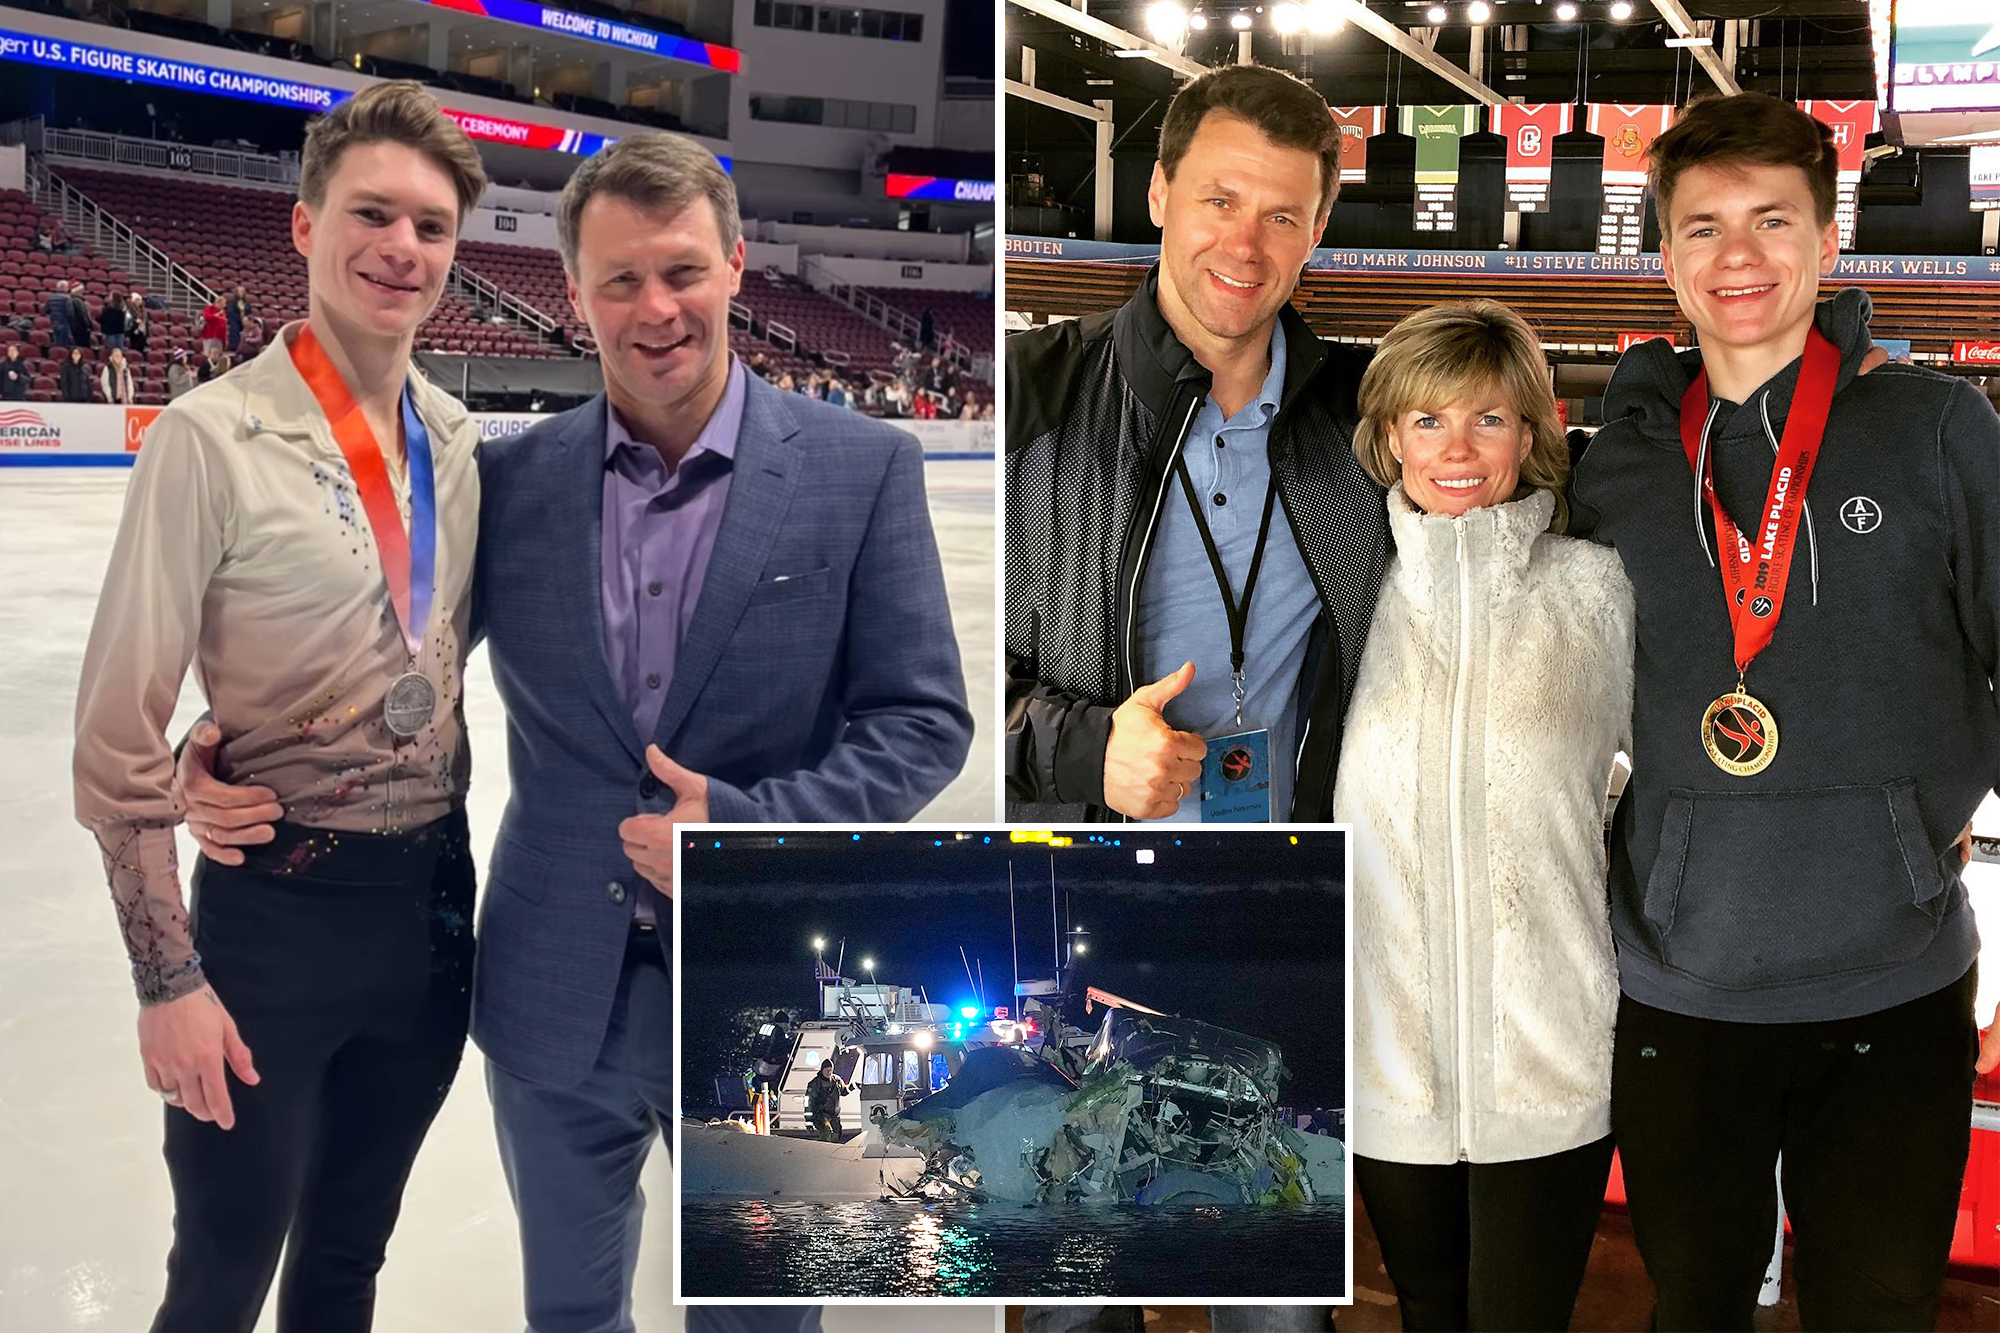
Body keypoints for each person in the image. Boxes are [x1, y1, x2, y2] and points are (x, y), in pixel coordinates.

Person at [181, 129, 973, 1331]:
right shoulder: (514, 483)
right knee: (568, 1315)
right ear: (575, 294)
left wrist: (751, 827)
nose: (654, 309)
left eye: (681, 271)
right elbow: (389, 654)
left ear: (737, 265)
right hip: (554, 1001)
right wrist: (231, 739)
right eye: (620, 280)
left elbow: (921, 721)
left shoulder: (858, 470)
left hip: (770, 1000)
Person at [1570, 91, 1999, 1330]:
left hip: (1890, 983)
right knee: (1691, 1303)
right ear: (1664, 258)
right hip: (1678, 984)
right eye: (1702, 227)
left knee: (1873, 1307)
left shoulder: (1932, 431)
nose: (1737, 256)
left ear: (1826, 245)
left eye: (1771, 221)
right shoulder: (1624, 459)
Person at [71, 80, 490, 1331]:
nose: (400, 248)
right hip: (272, 929)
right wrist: (166, 980)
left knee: (345, 1265)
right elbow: (114, 736)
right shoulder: (209, 437)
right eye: (371, 213)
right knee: (218, 1277)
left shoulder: (462, 443)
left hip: (428, 924)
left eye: (429, 225)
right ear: (304, 227)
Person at [1335, 301, 1631, 1331]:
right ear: (1384, 439)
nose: (1455, 449)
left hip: (1549, 1056)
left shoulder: (1599, 591)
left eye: (1487, 419)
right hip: (1388, 1063)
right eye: (1426, 421)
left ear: (1533, 433)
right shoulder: (1346, 598)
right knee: (1426, 1309)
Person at [1006, 62, 1387, 825]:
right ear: (1159, 194)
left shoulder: (1368, 412)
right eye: (1219, 201)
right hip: (1079, 889)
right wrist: (1083, 748)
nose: (1245, 246)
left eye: (1282, 217)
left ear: (1315, 231)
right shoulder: (1023, 395)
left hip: (1286, 888)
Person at [805, 1060, 848, 1141]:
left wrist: (854, 1086)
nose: (829, 1072)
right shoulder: (815, 1084)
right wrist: (808, 1121)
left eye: (830, 1070)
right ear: (822, 1070)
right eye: (827, 1070)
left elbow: (844, 1092)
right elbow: (808, 1102)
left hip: (834, 1116)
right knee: (826, 1131)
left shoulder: (836, 1081)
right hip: (820, 1115)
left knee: (836, 1135)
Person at [226, 284, 253, 354]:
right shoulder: (232, 302)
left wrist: (247, 317)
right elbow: (230, 313)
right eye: (240, 291)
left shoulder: (246, 303)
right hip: (236, 319)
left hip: (245, 320)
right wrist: (240, 318)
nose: (241, 293)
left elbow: (250, 312)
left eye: (242, 292)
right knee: (234, 326)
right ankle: (234, 346)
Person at [46, 279, 73, 349]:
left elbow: (47, 310)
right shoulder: (67, 298)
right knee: (63, 343)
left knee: (56, 341)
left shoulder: (51, 297)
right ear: (66, 288)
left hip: (54, 321)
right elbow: (70, 312)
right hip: (64, 322)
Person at [68, 282, 94, 350]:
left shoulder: (74, 300)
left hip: (76, 327)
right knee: (83, 347)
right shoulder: (78, 301)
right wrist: (88, 325)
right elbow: (82, 315)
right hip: (81, 328)